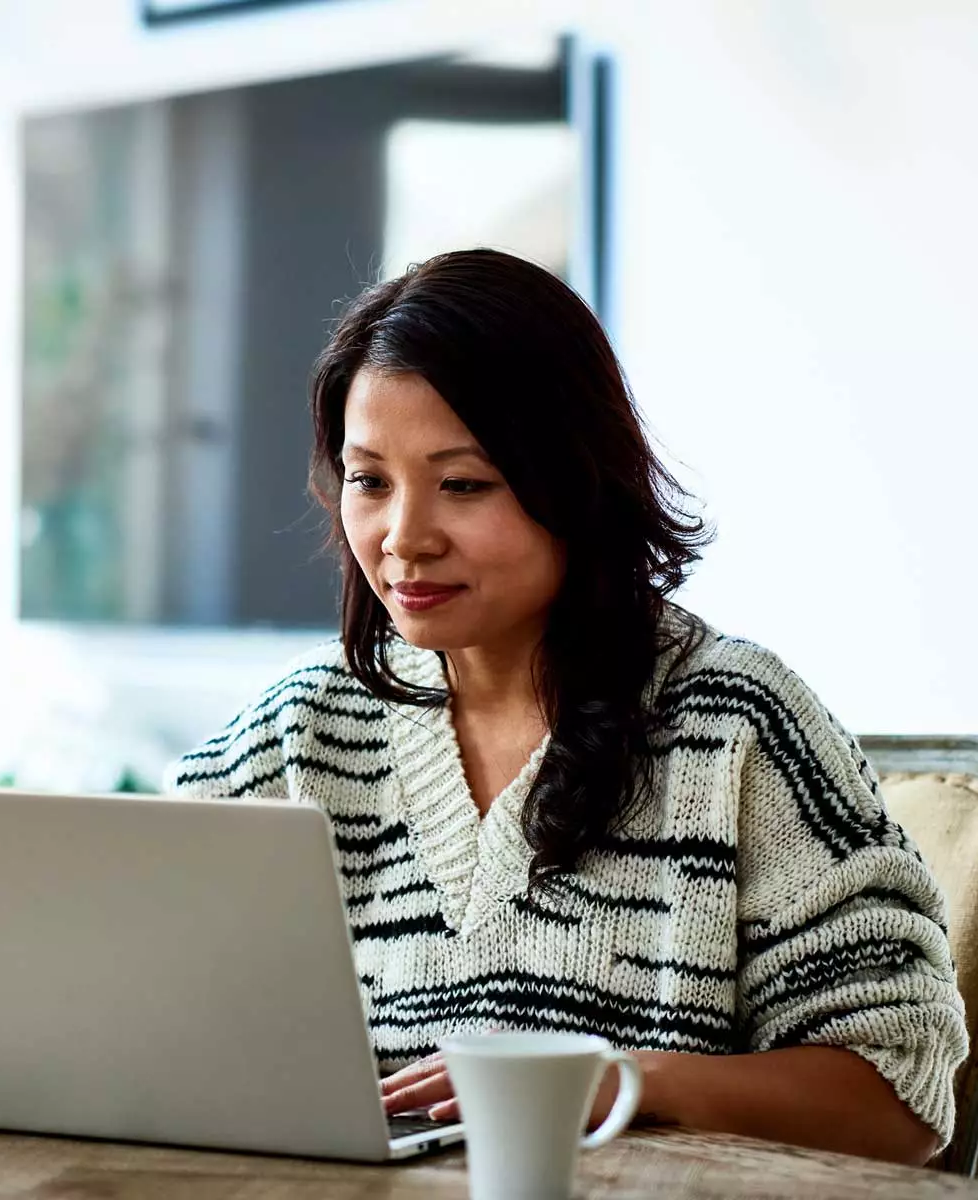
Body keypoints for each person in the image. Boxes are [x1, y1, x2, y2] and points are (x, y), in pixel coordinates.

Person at [164, 249, 965, 1165]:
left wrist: (619, 1081)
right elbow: (139, 1009)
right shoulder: (295, 733)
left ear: (575, 481)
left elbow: (899, 1099)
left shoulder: (737, 723)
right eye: (368, 480)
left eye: (463, 484)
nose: (403, 537)